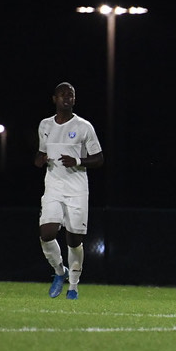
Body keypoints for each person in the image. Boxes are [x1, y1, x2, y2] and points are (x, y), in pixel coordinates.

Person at [35, 81, 104, 300]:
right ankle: (59, 272)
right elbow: (39, 155)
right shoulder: (45, 125)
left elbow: (99, 159)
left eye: (71, 95)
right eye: (63, 94)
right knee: (47, 234)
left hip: (77, 190)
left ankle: (73, 286)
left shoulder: (84, 127)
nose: (67, 98)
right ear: (54, 99)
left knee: (74, 240)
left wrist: (77, 160)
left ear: (74, 100)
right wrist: (41, 160)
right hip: (53, 187)